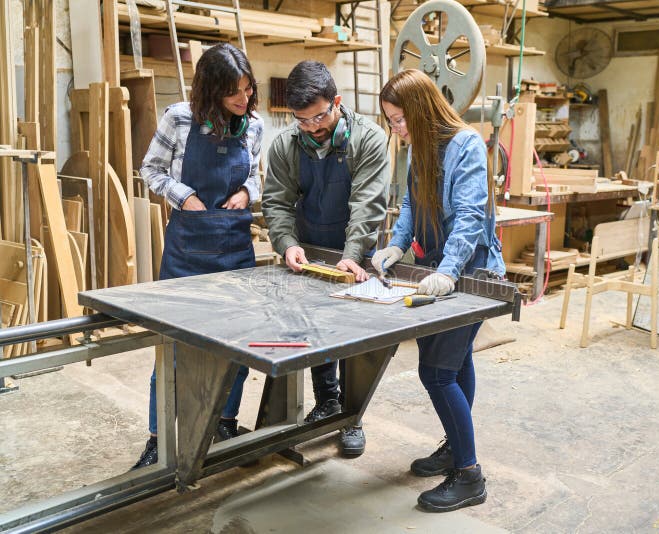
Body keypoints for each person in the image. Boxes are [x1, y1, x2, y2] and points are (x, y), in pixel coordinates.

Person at [372, 69, 505, 512]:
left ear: (422, 108)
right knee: (456, 360)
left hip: (471, 276)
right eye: (392, 121)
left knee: (436, 372)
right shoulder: (420, 149)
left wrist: (448, 272)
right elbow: (412, 201)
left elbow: (469, 216)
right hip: (434, 271)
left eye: (401, 119)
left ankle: (469, 476)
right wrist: (394, 245)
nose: (398, 129)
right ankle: (454, 448)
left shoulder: (465, 145)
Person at [132, 43, 264, 469]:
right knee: (172, 348)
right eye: (234, 93)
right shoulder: (179, 119)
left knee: (238, 345)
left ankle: (225, 420)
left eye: (248, 90)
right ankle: (158, 440)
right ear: (210, 91)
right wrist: (183, 195)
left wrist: (247, 192)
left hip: (234, 245)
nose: (244, 100)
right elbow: (150, 169)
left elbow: (257, 176)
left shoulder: (255, 125)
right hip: (188, 248)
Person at [262, 61, 389, 457]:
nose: (313, 127)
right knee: (314, 330)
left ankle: (353, 416)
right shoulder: (285, 145)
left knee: (352, 334)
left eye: (320, 116)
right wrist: (286, 244)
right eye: (303, 121)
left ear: (336, 102)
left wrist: (353, 256)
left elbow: (367, 205)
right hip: (310, 250)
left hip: (356, 251)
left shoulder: (368, 139)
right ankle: (328, 401)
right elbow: (277, 202)